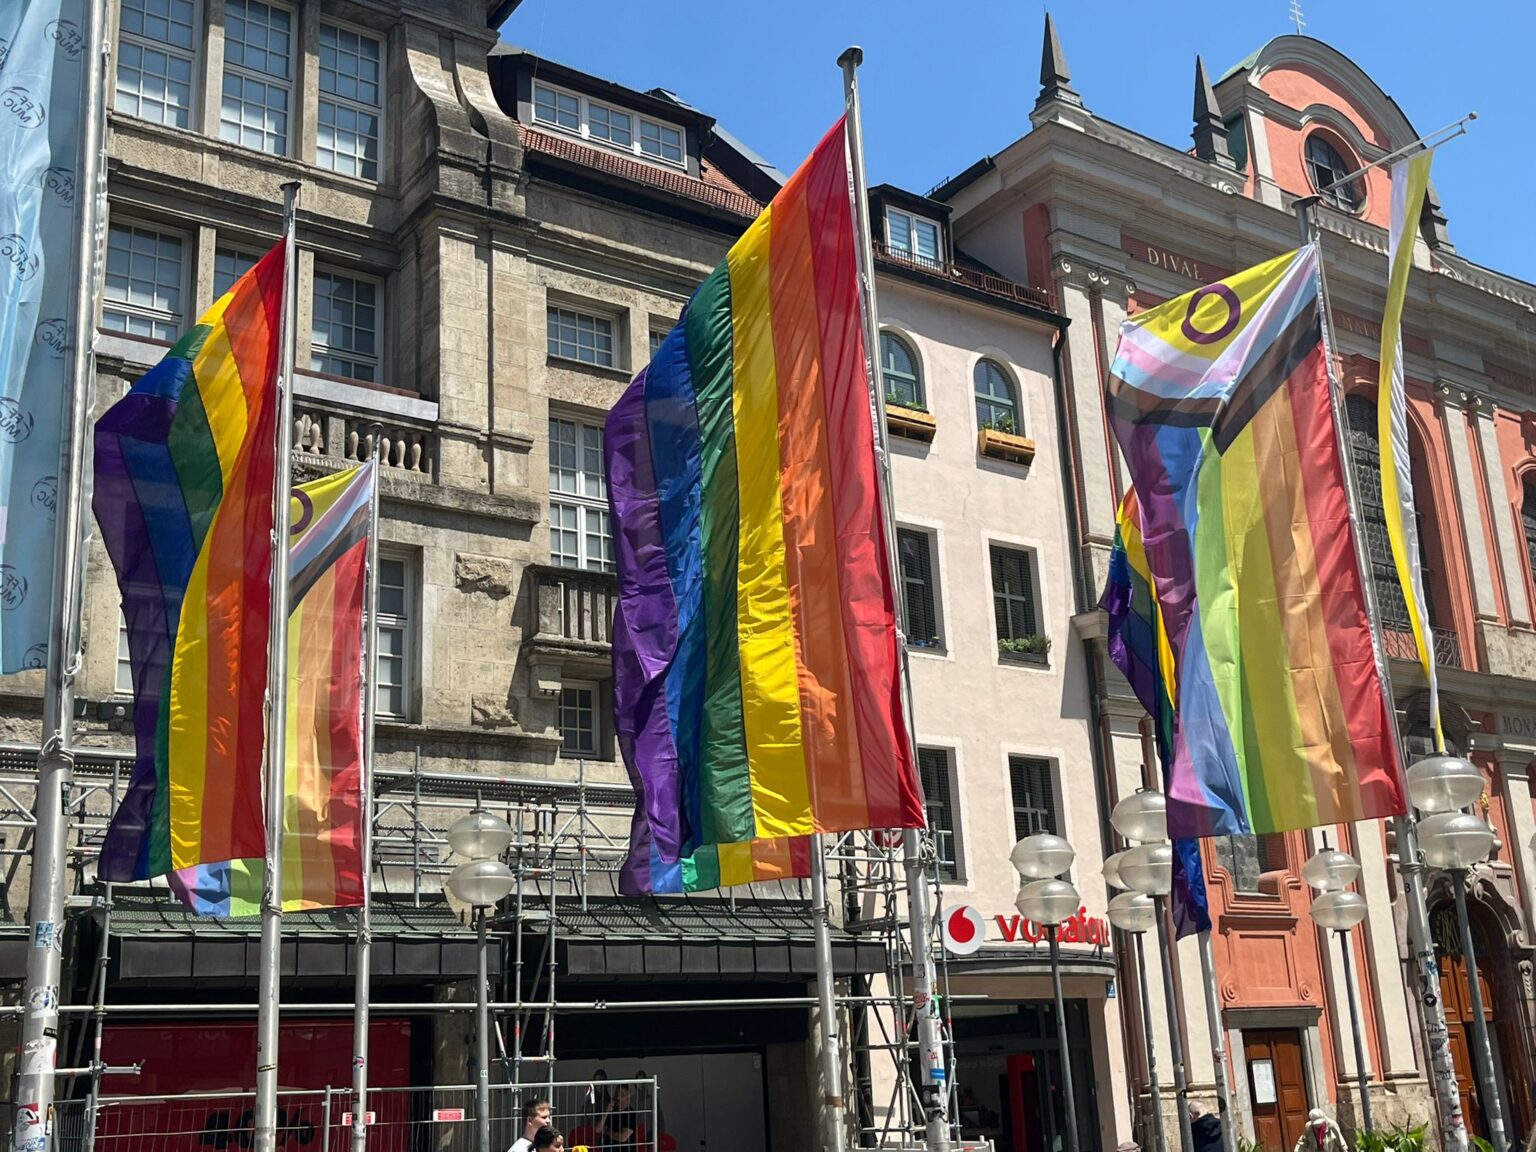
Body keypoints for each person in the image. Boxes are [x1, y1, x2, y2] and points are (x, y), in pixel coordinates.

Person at [598, 1084, 638, 1150]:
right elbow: (598, 1129)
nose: (618, 1098)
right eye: (616, 1095)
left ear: (628, 1096)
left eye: (622, 1095)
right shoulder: (611, 1111)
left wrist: (607, 1131)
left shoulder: (631, 1113)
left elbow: (623, 1137)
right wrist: (607, 1111)